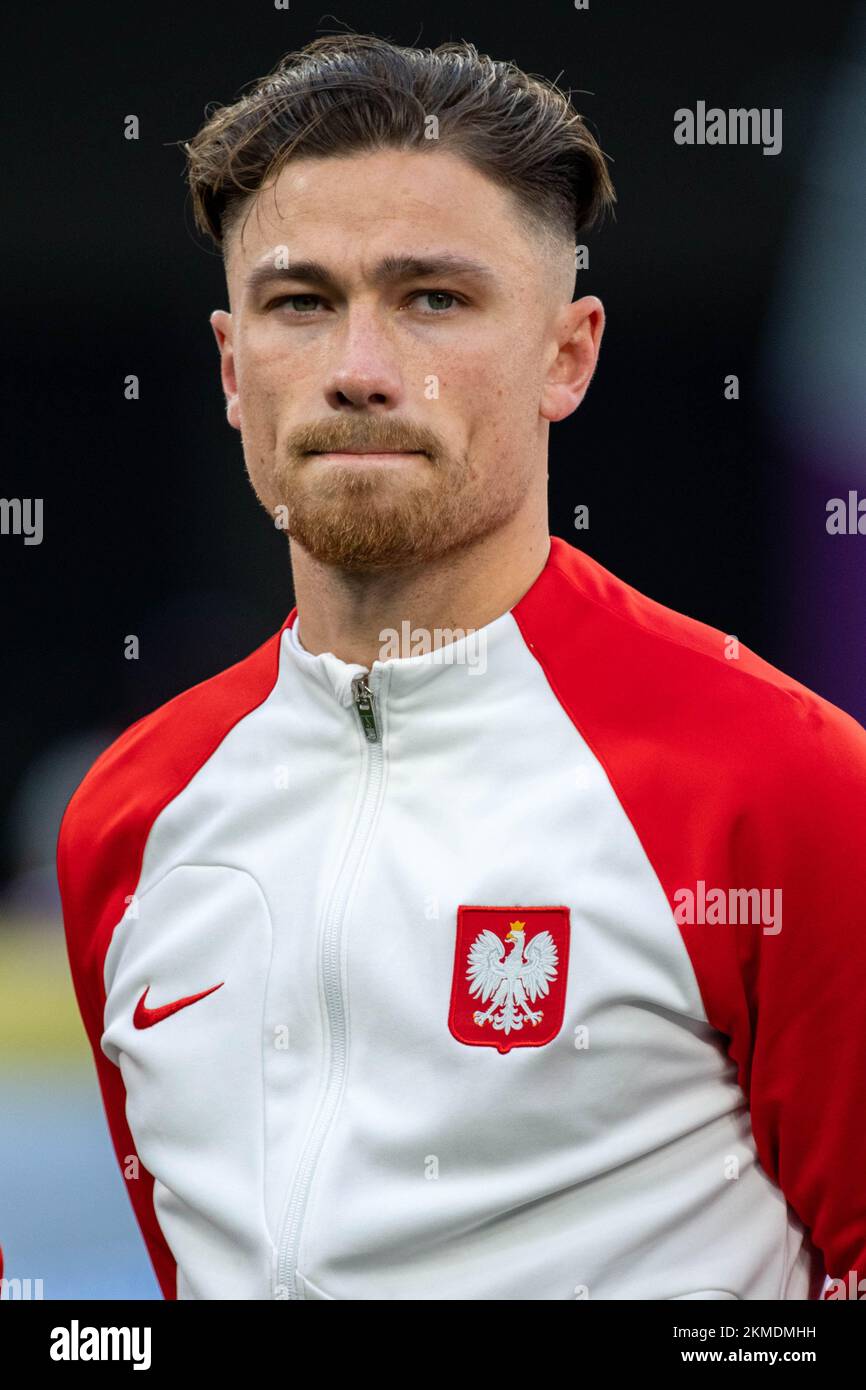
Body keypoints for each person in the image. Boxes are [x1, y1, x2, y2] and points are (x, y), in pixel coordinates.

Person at [58, 33, 866, 1301]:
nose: (359, 372)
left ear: (567, 353)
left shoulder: (783, 779)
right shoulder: (128, 815)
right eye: (299, 303)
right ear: (230, 368)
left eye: (433, 298)